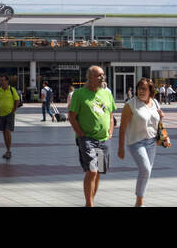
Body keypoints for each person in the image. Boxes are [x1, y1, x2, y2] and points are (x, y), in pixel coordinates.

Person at [68, 66, 115, 207]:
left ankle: (90, 201)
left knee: (99, 171)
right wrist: (81, 134)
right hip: (88, 139)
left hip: (103, 139)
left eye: (103, 75)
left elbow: (111, 115)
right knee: (92, 171)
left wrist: (110, 131)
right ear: (89, 77)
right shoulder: (79, 94)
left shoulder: (107, 93)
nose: (102, 77)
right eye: (99, 75)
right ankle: (89, 204)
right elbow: (72, 116)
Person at [118, 78, 168, 206]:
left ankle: (139, 202)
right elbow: (122, 128)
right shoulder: (131, 105)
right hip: (136, 142)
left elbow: (158, 122)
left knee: (147, 172)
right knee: (145, 169)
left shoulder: (155, 102)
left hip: (152, 142)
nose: (141, 91)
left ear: (150, 91)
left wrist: (162, 126)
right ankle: (140, 201)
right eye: (139, 88)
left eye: (144, 88)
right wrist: (121, 147)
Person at [0, 74, 22, 158]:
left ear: (7, 81)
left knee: (7, 131)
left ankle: (9, 150)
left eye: (3, 80)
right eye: (0, 80)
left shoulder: (12, 90)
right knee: (4, 132)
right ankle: (7, 150)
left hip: (10, 114)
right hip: (2, 114)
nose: (1, 82)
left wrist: (13, 111)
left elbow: (17, 100)